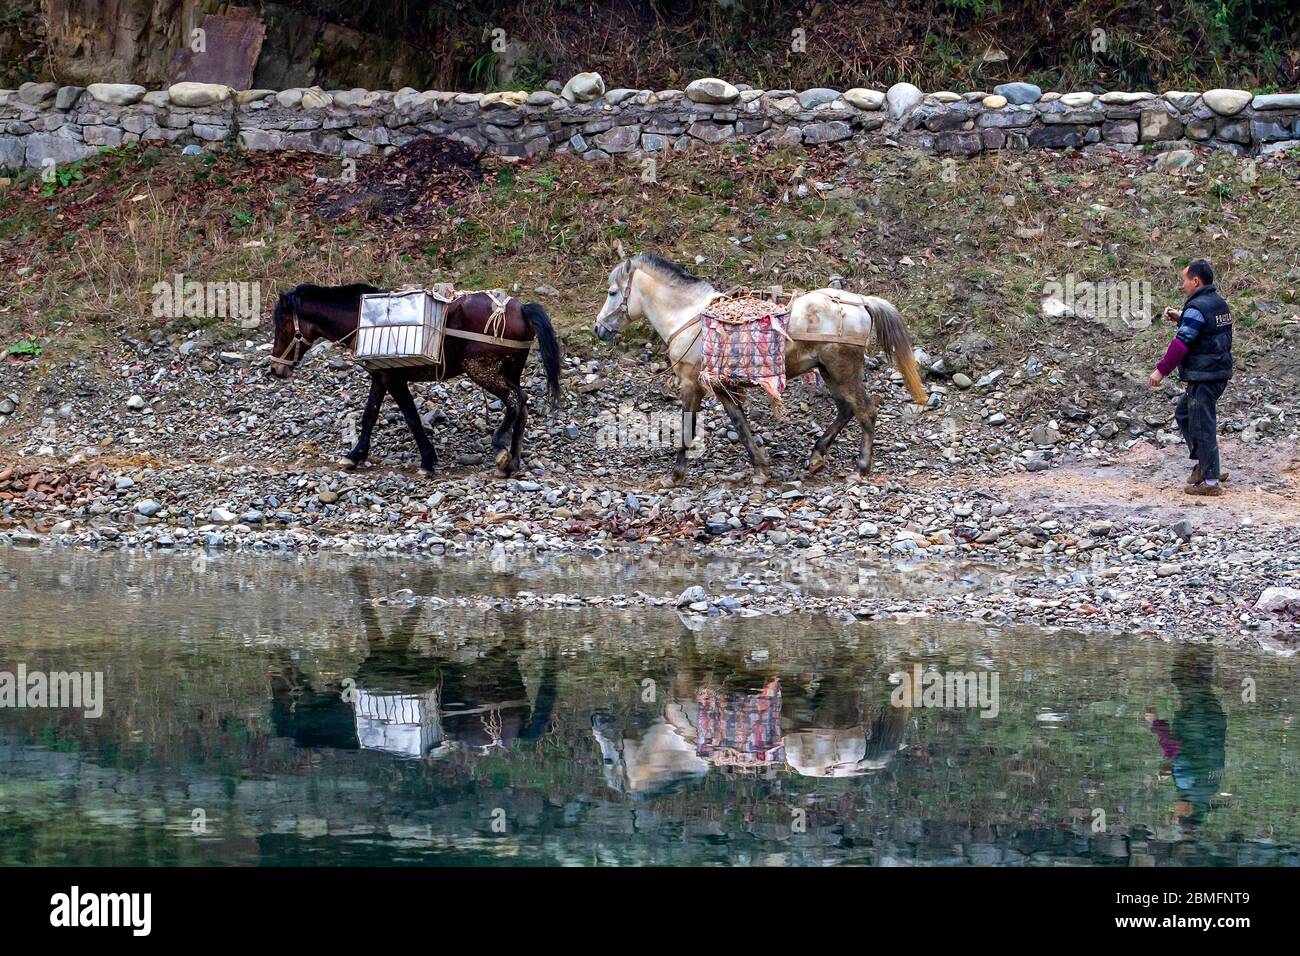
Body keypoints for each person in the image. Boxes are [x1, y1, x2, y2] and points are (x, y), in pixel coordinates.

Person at [1148, 259, 1233, 496]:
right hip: (1217, 373)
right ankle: (1207, 465)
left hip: (1204, 376)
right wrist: (1182, 317)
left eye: (1184, 280)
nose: (1183, 285)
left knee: (1201, 424)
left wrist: (1161, 370)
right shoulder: (1218, 303)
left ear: (1196, 281)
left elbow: (1181, 344)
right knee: (1185, 413)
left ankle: (1211, 481)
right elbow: (1205, 327)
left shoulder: (1197, 308)